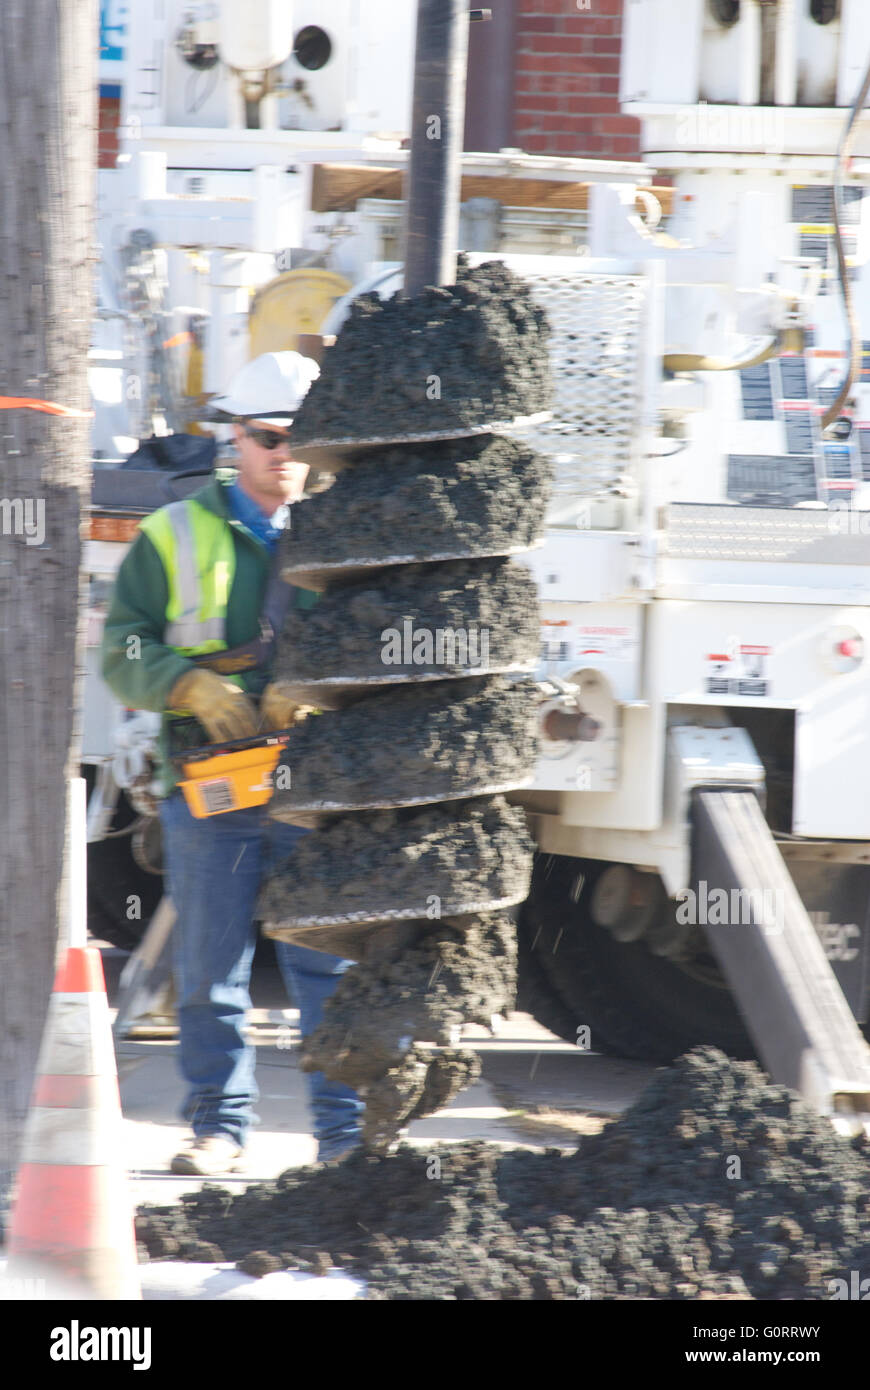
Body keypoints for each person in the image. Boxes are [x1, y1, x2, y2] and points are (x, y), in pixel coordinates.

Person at [101, 351, 363, 1175]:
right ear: (232, 439)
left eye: (297, 438)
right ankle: (220, 1128)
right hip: (211, 788)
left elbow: (382, 654)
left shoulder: (351, 539)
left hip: (312, 788)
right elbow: (123, 649)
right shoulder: (173, 534)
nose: (282, 453)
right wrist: (187, 686)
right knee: (213, 967)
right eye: (265, 436)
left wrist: (317, 693)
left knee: (328, 965)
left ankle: (342, 1137)